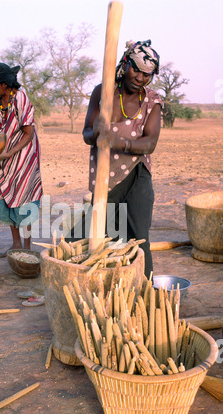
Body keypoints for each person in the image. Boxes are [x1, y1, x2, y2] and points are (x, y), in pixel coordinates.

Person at [82, 40, 162, 279]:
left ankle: (143, 286)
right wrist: (96, 132)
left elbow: (150, 143)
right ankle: (106, 284)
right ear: (125, 63)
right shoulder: (103, 92)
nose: (140, 78)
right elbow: (86, 135)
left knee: (138, 235)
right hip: (105, 178)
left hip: (137, 174)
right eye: (136, 69)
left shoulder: (152, 101)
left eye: (147, 74)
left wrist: (120, 143)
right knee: (99, 234)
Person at [0, 61, 43, 257]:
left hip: (24, 155)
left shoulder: (20, 99)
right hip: (6, 156)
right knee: (9, 196)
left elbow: (28, 133)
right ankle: (15, 244)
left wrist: (10, 152)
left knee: (24, 200)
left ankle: (27, 248)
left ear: (5, 84)